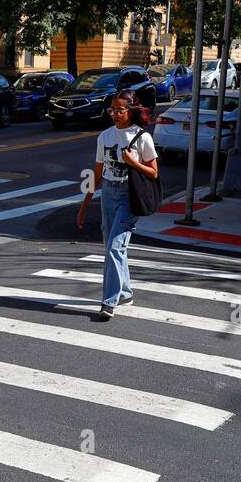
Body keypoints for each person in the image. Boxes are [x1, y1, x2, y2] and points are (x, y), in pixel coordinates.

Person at [76, 90, 160, 321]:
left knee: (115, 246)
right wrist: (84, 206)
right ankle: (125, 292)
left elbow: (153, 173)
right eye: (112, 110)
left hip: (128, 195)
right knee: (113, 248)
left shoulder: (143, 137)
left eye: (120, 110)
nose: (115, 114)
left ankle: (108, 302)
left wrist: (134, 163)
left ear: (131, 111)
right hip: (108, 193)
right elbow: (97, 173)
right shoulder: (104, 136)